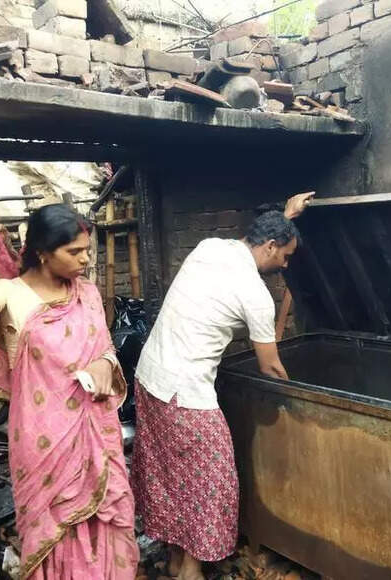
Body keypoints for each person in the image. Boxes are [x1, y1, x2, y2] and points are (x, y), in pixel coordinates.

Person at [0, 204, 139, 580]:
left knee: (104, 516)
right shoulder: (9, 294)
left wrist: (103, 364)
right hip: (43, 441)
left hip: (95, 431)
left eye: (87, 249)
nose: (85, 259)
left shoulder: (87, 293)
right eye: (74, 251)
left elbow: (105, 349)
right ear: (42, 252)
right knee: (53, 525)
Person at [130, 192, 315, 580]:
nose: (286, 264)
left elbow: (254, 241)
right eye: (286, 255)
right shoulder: (256, 296)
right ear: (270, 246)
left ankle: (177, 558)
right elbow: (271, 367)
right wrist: (307, 401)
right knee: (212, 481)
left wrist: (285, 217)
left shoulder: (210, 247)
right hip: (184, 394)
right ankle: (191, 572)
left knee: (170, 475)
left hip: (148, 380)